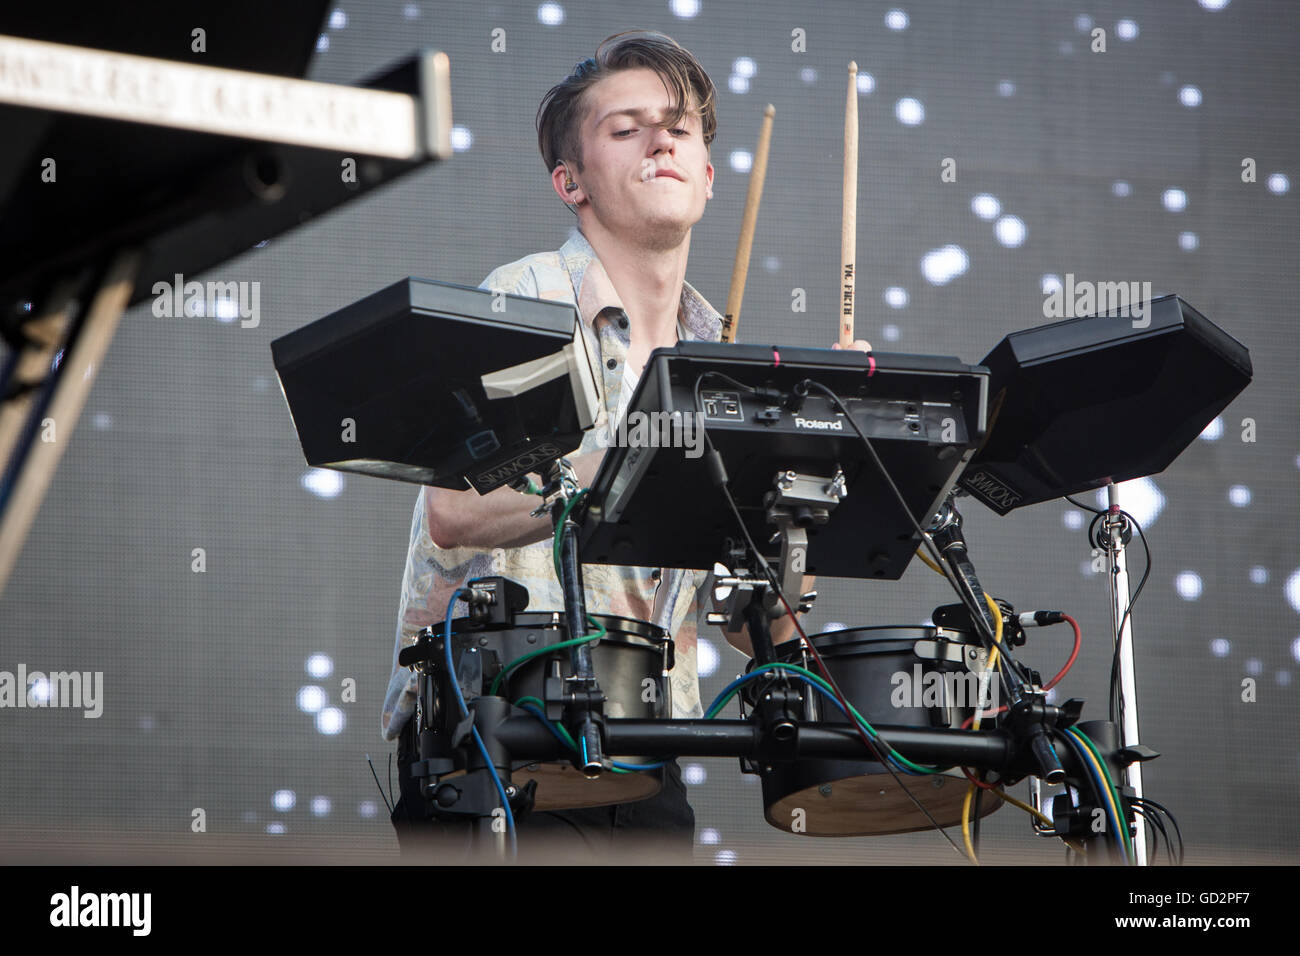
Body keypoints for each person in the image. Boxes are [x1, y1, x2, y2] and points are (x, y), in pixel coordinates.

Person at [382, 30, 872, 860]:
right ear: (569, 181)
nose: (662, 139)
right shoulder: (527, 298)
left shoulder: (723, 369)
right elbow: (457, 507)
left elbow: (759, 632)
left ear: (708, 179)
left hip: (648, 754)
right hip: (497, 732)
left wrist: (810, 491)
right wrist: (644, 468)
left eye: (680, 127)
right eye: (626, 127)